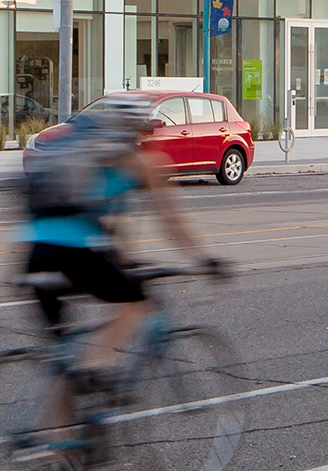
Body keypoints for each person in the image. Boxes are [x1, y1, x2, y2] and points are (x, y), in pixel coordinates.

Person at [15, 95, 224, 448]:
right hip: (75, 250)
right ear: (144, 129)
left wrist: (124, 260)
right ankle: (98, 365)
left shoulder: (86, 157)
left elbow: (110, 226)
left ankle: (51, 447)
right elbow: (171, 221)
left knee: (65, 355)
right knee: (137, 304)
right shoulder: (142, 162)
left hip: (34, 253)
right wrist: (203, 259)